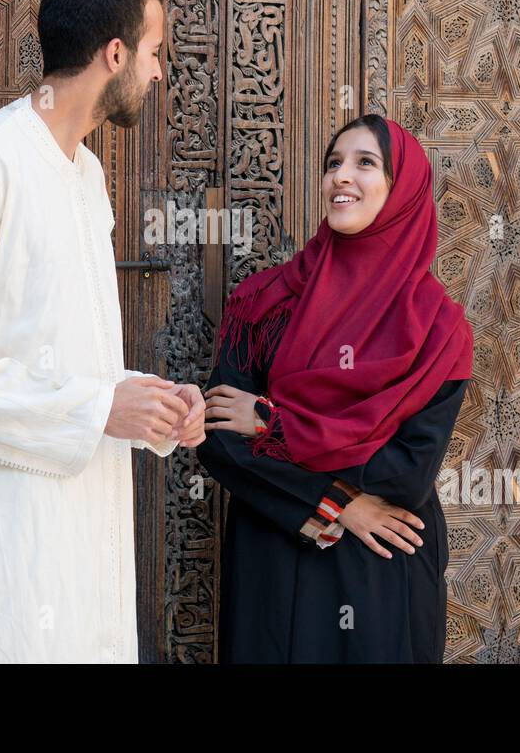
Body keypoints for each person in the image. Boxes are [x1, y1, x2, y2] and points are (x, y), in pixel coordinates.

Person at [0, 0, 206, 663]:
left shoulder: (86, 175)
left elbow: (67, 355)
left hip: (83, 533)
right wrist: (99, 408)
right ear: (115, 54)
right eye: (154, 53)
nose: (158, 73)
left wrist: (150, 405)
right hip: (8, 539)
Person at [198, 113, 474, 663]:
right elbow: (219, 435)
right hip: (279, 548)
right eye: (333, 164)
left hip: (380, 560)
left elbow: (408, 472)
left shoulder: (438, 330)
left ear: (402, 190)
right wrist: (340, 505)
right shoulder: (264, 303)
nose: (341, 176)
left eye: (365, 163)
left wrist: (273, 425)